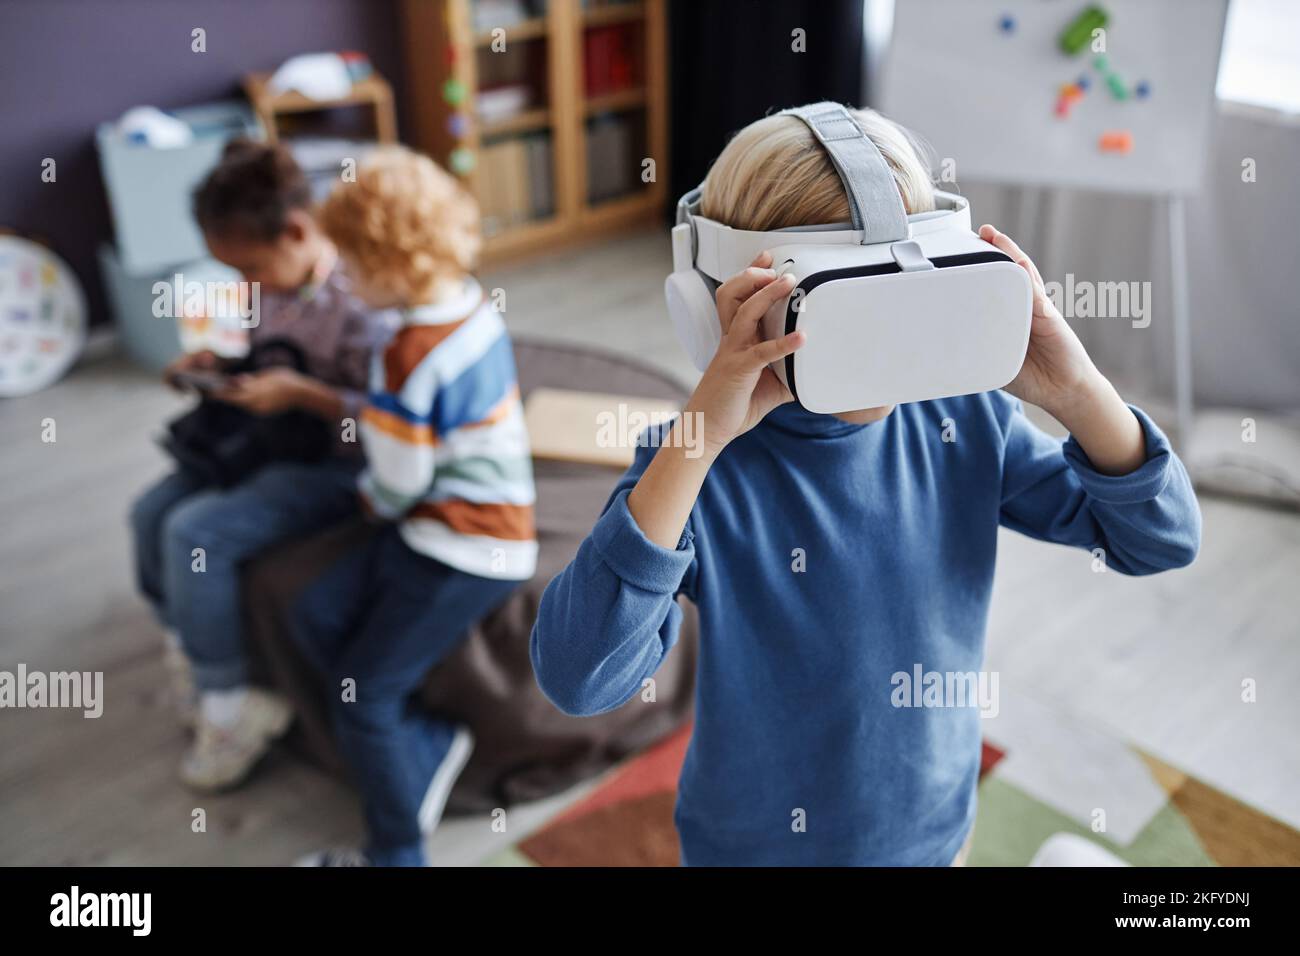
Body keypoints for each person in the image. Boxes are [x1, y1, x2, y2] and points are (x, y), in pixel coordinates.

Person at [529, 107, 1201, 865]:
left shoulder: (962, 418)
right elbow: (580, 678)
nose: (887, 349)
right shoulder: (695, 467)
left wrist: (1077, 392)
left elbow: (1161, 540)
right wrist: (700, 441)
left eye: (903, 295)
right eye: (845, 306)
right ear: (718, 309)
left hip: (931, 831)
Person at [287, 146, 537, 867]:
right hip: (460, 520)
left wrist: (367, 498)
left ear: (392, 268)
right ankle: (423, 743)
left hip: (466, 545)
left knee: (361, 697)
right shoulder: (471, 302)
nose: (340, 276)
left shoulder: (404, 353)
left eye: (350, 264)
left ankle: (396, 850)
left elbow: (399, 483)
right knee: (313, 610)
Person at [128, 140, 392, 792]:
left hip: (342, 461)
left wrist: (304, 396)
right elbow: (265, 354)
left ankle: (231, 705)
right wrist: (218, 368)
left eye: (249, 267)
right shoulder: (267, 288)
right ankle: (191, 650)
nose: (244, 285)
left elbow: (393, 418)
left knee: (194, 532)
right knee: (149, 513)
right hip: (271, 436)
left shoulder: (362, 300)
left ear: (298, 232)